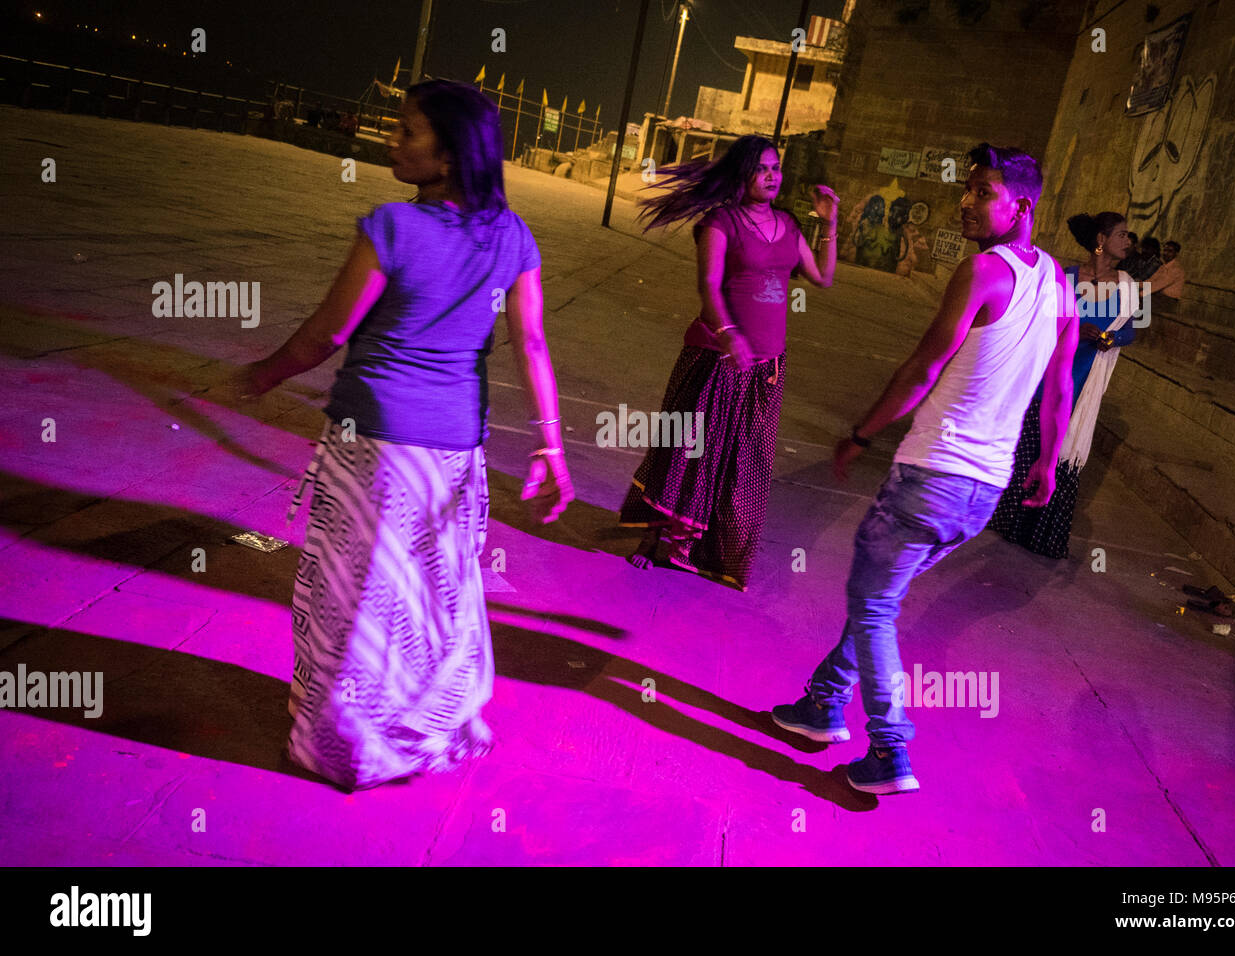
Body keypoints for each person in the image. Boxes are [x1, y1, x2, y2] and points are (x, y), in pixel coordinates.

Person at [234, 80, 574, 791]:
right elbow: (533, 343)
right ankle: (420, 721)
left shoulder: (390, 228)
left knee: (356, 594)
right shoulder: (513, 237)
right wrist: (551, 444)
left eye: (408, 131)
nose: (393, 142)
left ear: (448, 156)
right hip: (453, 451)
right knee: (428, 596)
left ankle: (350, 738)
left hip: (375, 445)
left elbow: (328, 332)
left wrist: (261, 376)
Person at [771, 143, 1080, 795]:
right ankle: (823, 704)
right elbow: (1059, 390)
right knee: (880, 599)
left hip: (933, 475)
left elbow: (922, 368)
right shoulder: (1060, 287)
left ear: (1021, 204)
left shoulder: (984, 272)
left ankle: (889, 749)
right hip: (983, 492)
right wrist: (1046, 461)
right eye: (966, 190)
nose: (966, 202)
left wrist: (862, 432)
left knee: (875, 604)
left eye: (982, 192)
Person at [617, 135, 840, 590]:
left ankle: (708, 547)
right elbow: (709, 286)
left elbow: (823, 277)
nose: (773, 175)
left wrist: (830, 225)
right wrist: (729, 334)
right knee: (686, 450)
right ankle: (650, 542)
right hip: (716, 356)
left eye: (776, 167)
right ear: (742, 174)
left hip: (766, 368)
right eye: (762, 168)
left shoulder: (790, 226)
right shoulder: (720, 222)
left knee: (744, 461)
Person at [989, 211, 1138, 559]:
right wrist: (1074, 328)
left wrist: (1112, 337)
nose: (1128, 241)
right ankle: (1011, 521)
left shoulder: (1130, 286)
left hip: (1085, 378)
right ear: (1101, 240)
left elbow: (1132, 331)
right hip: (1049, 372)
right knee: (1031, 445)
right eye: (1121, 234)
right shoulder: (1066, 277)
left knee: (1062, 452)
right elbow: (1038, 320)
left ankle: (1041, 535)